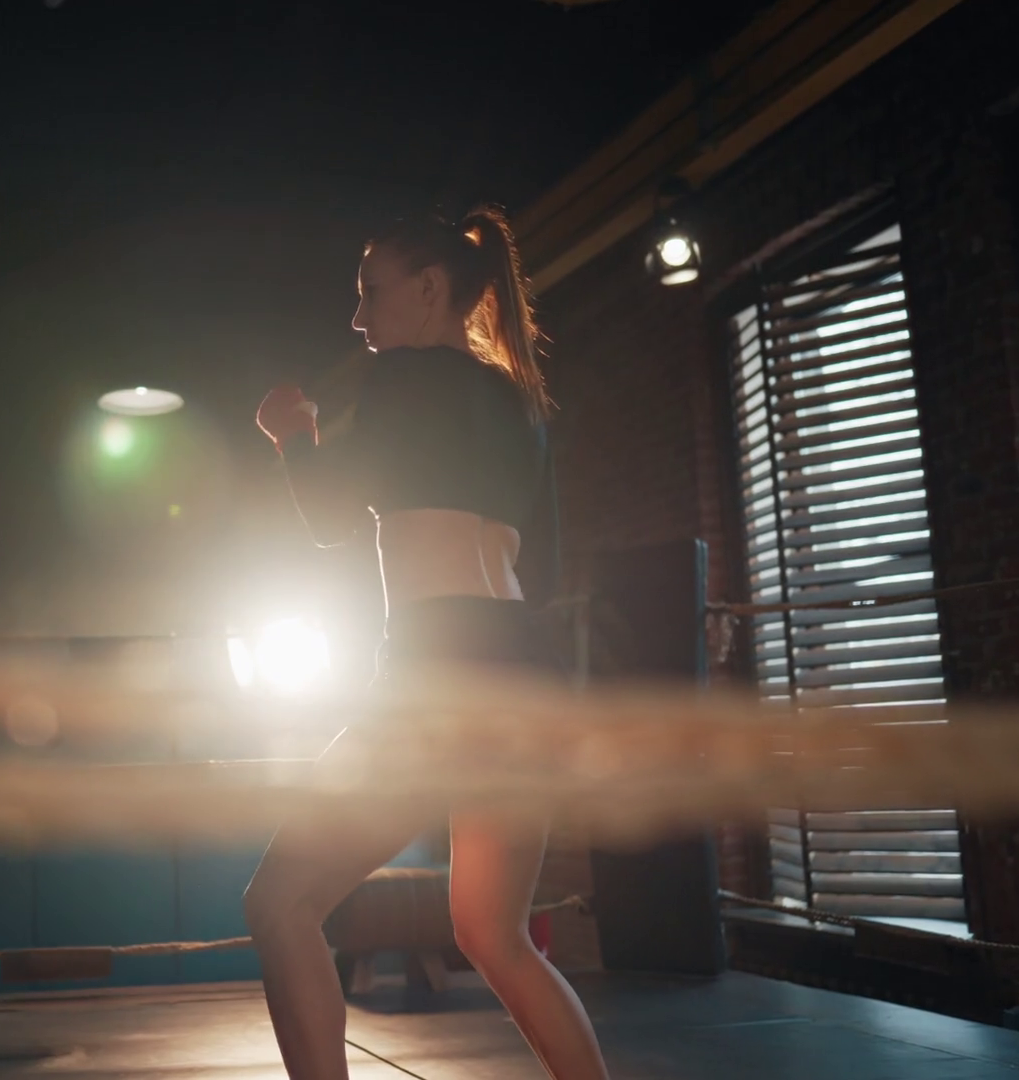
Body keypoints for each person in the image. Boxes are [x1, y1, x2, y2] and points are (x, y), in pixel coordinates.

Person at [243, 205, 610, 1080]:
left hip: (439, 671)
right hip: (526, 673)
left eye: (371, 293)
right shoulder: (522, 407)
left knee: (280, 902)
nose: (359, 318)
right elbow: (547, 564)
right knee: (494, 933)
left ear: (430, 289)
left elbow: (330, 518)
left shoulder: (402, 377)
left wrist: (291, 434)